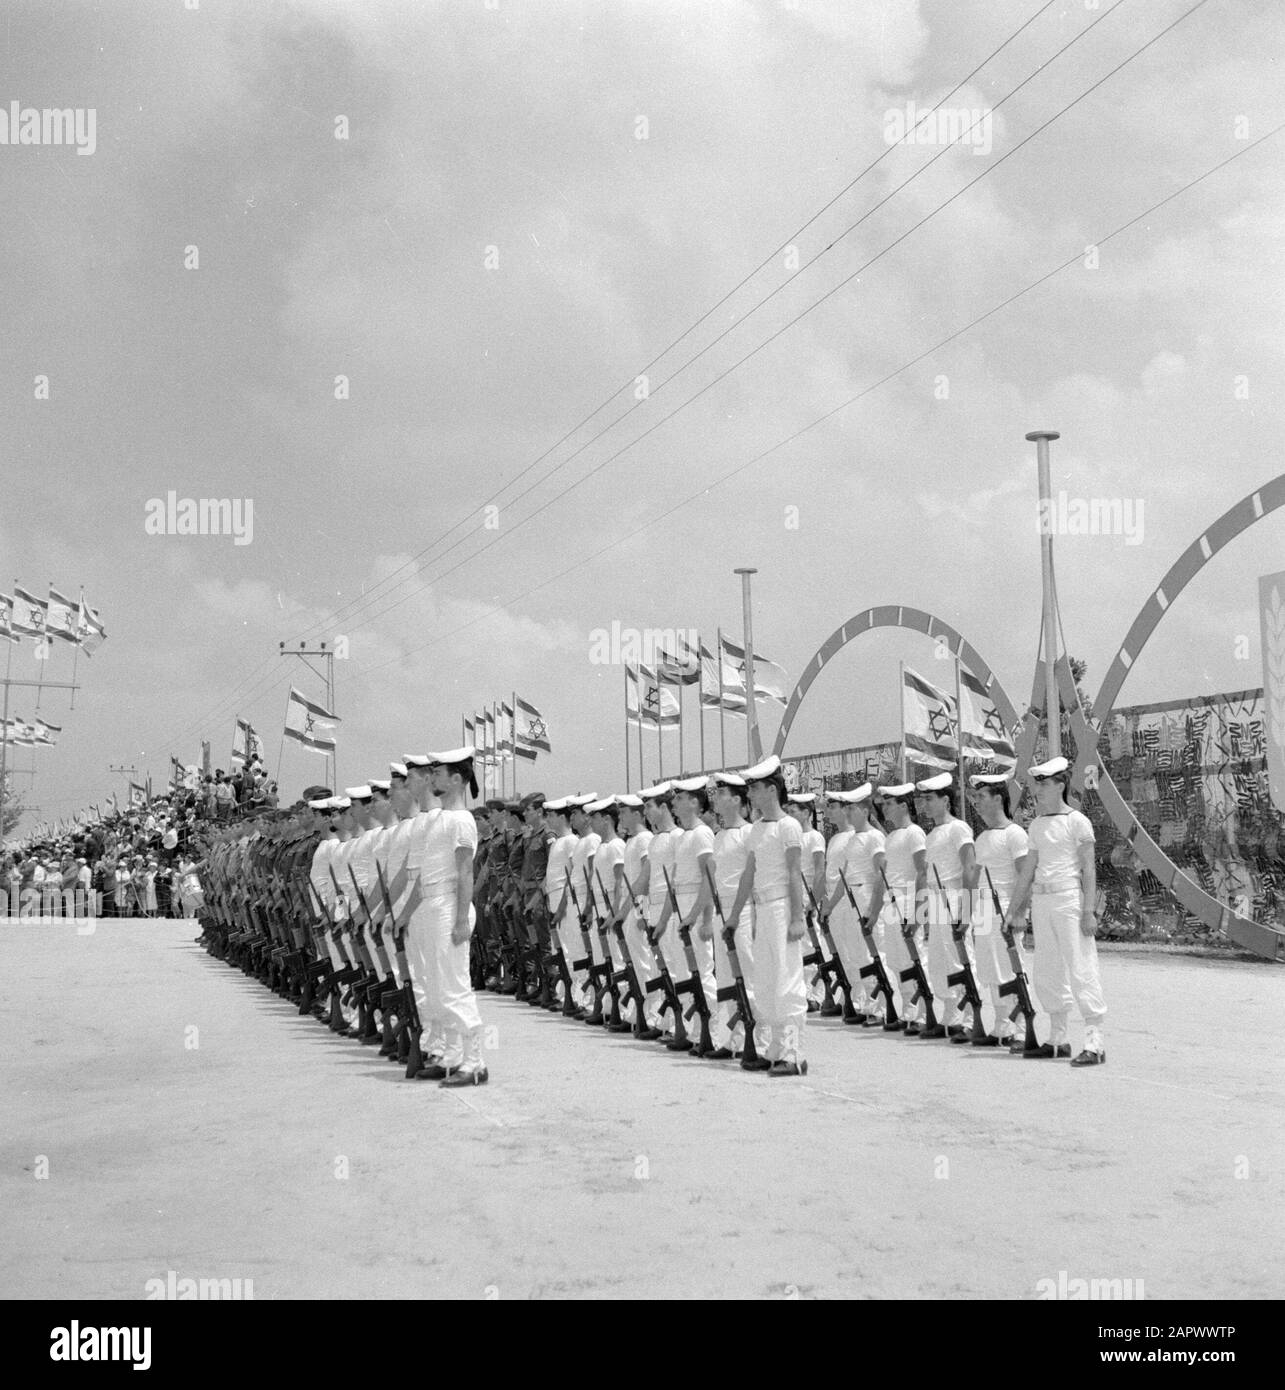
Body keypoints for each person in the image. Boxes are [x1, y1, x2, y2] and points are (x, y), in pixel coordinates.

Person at [1003, 756, 1108, 1066]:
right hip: (1043, 901)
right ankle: (1058, 1039)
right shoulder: (1035, 825)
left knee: (1081, 967)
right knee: (1047, 971)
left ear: (1060, 785)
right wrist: (1013, 911)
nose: (1037, 789)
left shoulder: (1077, 821)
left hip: (1068, 900)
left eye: (1044, 783)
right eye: (1036, 783)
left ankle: (1094, 1042)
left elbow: (1089, 869)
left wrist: (1088, 911)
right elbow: (1027, 872)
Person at [725, 755, 808, 1076]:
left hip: (782, 907)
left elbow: (793, 873)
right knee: (766, 981)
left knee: (787, 979)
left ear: (772, 790)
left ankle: (794, 1053)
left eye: (757, 788)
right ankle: (774, 1048)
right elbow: (748, 875)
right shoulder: (756, 830)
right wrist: (734, 916)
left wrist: (797, 917)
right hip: (760, 909)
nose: (752, 795)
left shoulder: (789, 826)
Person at [422, 747, 488, 1085]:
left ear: (457, 779)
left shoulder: (462, 821)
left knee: (456, 988)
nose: (433, 777)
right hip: (434, 907)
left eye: (439, 772)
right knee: (437, 987)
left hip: (450, 907)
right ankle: (451, 1055)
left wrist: (461, 920)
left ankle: (475, 1061)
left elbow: (465, 873)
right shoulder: (440, 818)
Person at [708, 771, 768, 1066]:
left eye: (720, 794)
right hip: (722, 911)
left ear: (736, 799)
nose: (715, 799)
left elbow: (753, 877)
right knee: (725, 980)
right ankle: (726, 1039)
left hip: (742, 910)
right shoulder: (719, 836)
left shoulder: (749, 833)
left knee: (750, 974)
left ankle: (760, 1041)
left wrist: (751, 916)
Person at [968, 772, 1031, 1048]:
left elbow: (1025, 877)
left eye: (981, 797)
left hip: (1004, 908)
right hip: (983, 911)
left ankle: (1021, 1029)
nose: (976, 803)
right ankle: (1001, 1026)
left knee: (1010, 969)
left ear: (998, 798)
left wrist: (1019, 914)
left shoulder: (1015, 834)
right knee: (989, 970)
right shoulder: (982, 838)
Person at [915, 772, 977, 1041]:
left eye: (930, 799)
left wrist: (966, 909)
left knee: (960, 958)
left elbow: (970, 868)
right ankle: (950, 1017)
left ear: (946, 800)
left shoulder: (959, 829)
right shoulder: (932, 834)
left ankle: (971, 1018)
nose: (925, 805)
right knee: (940, 960)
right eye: (923, 799)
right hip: (935, 899)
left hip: (953, 896)